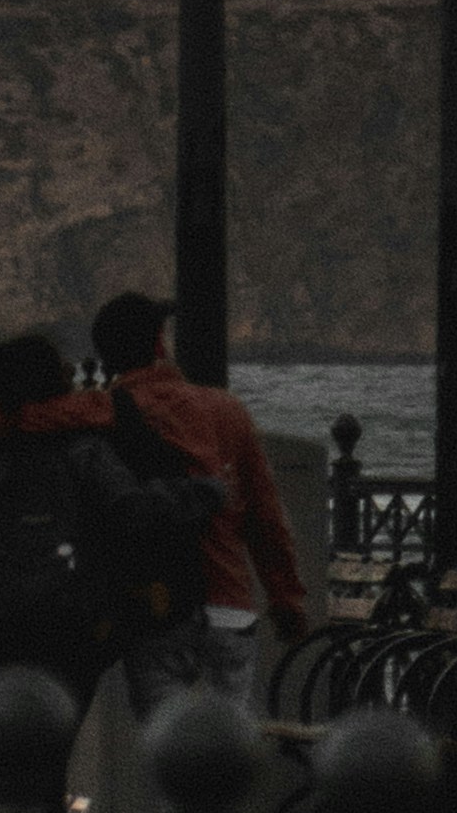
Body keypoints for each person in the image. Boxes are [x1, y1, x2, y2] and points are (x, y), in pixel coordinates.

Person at [0, 326, 220, 720]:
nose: (71, 372)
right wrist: (203, 493)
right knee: (54, 747)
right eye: (61, 369)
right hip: (72, 629)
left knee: (2, 751)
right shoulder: (83, 454)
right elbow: (132, 512)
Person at [85, 289, 304, 698]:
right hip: (228, 608)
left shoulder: (103, 414)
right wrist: (285, 596)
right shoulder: (226, 410)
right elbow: (264, 514)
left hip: (156, 608)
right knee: (226, 749)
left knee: (166, 749)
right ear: (158, 344)